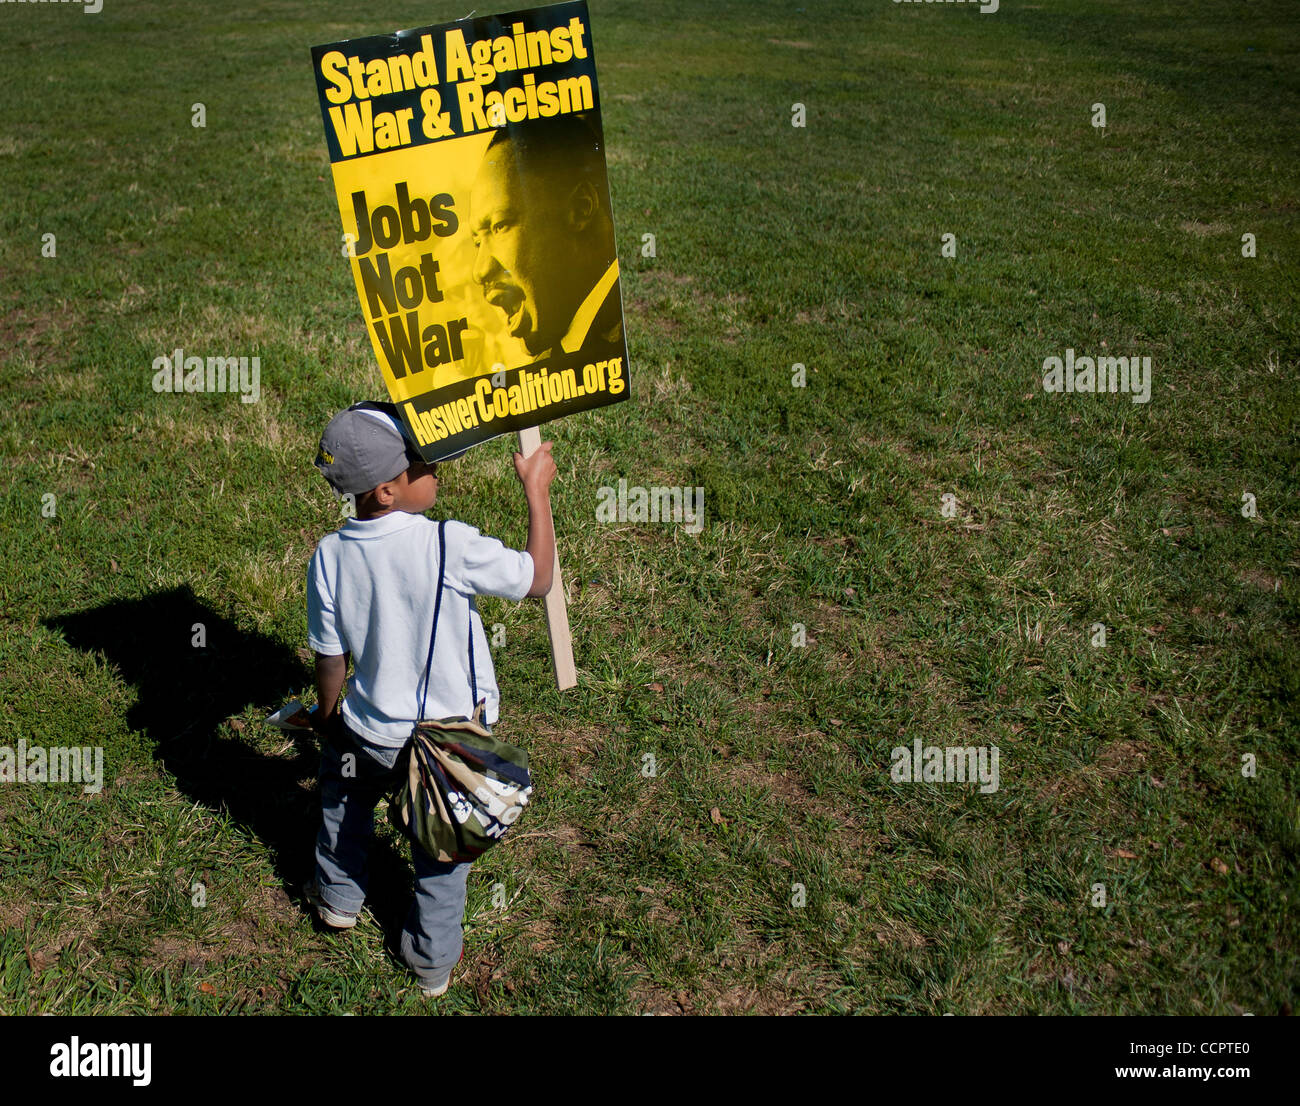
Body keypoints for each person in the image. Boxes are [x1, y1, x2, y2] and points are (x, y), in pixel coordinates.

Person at [302, 400, 556, 996]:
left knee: (343, 808)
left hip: (366, 730)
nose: (437, 470)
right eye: (422, 463)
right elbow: (537, 579)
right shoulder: (450, 545)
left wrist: (327, 715)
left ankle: (338, 899)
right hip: (451, 743)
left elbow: (329, 656)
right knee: (441, 853)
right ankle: (430, 964)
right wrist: (537, 493)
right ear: (387, 491)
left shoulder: (329, 555)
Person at [468, 114, 623, 366]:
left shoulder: (618, 336)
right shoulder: (557, 355)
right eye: (477, 242)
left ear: (581, 208)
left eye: (499, 226)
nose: (480, 271)